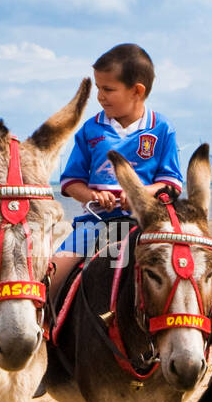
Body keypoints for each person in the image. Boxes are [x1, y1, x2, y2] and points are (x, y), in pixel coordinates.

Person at [49, 42, 184, 300]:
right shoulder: (91, 130)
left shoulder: (162, 128)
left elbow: (171, 183)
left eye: (108, 89)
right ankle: (47, 331)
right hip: (96, 224)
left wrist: (140, 193)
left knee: (186, 268)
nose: (100, 96)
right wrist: (92, 195)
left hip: (148, 224)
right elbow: (71, 182)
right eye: (98, 88)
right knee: (53, 274)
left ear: (137, 91)